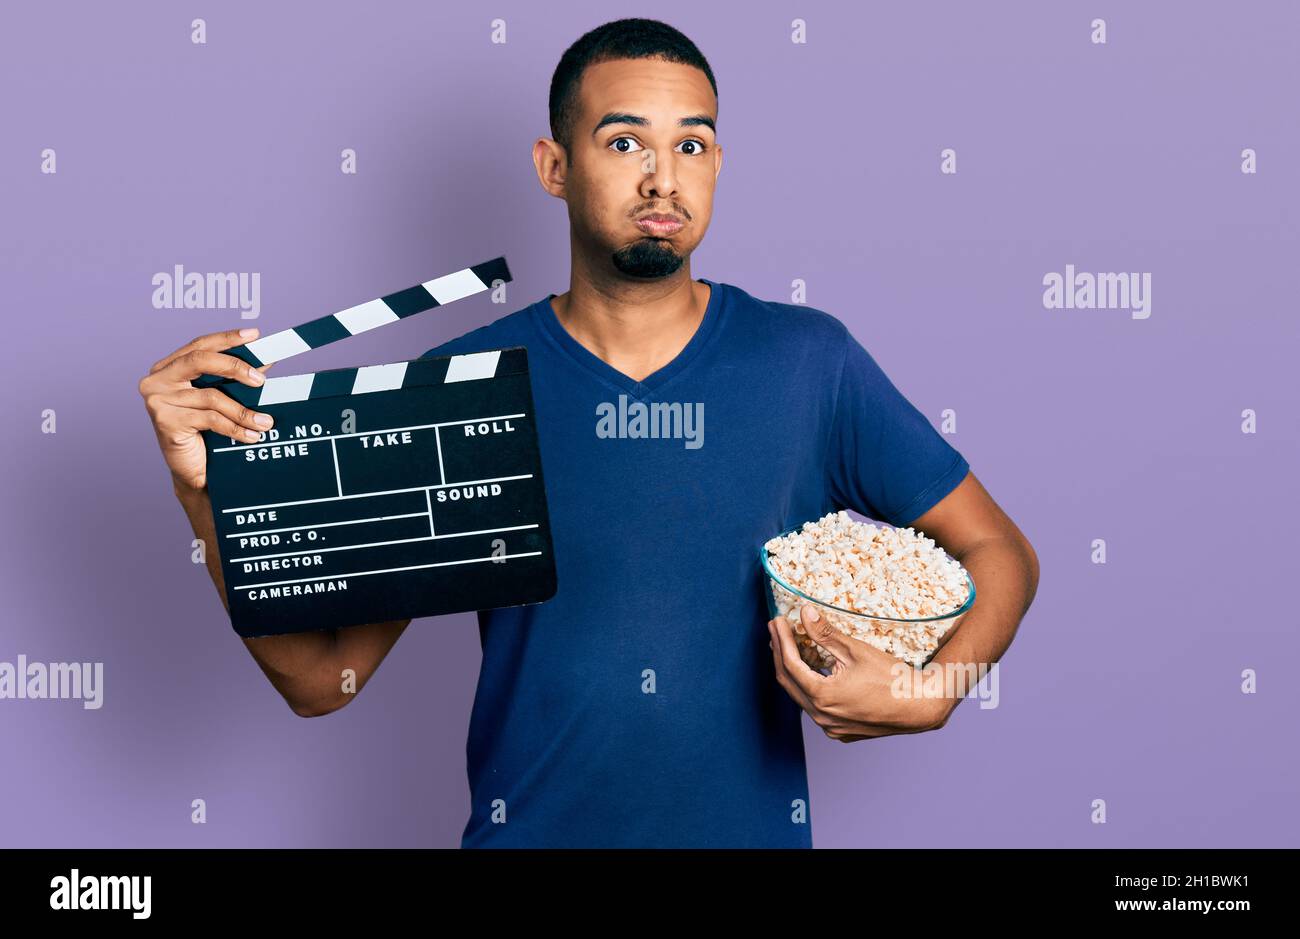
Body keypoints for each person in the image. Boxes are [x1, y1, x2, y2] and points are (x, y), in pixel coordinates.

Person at [137, 17, 1039, 848]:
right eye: (623, 141)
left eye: (692, 143)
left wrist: (933, 690)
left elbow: (999, 548)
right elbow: (318, 681)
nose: (663, 176)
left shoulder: (809, 362)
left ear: (719, 162)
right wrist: (201, 491)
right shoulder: (463, 390)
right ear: (554, 165)